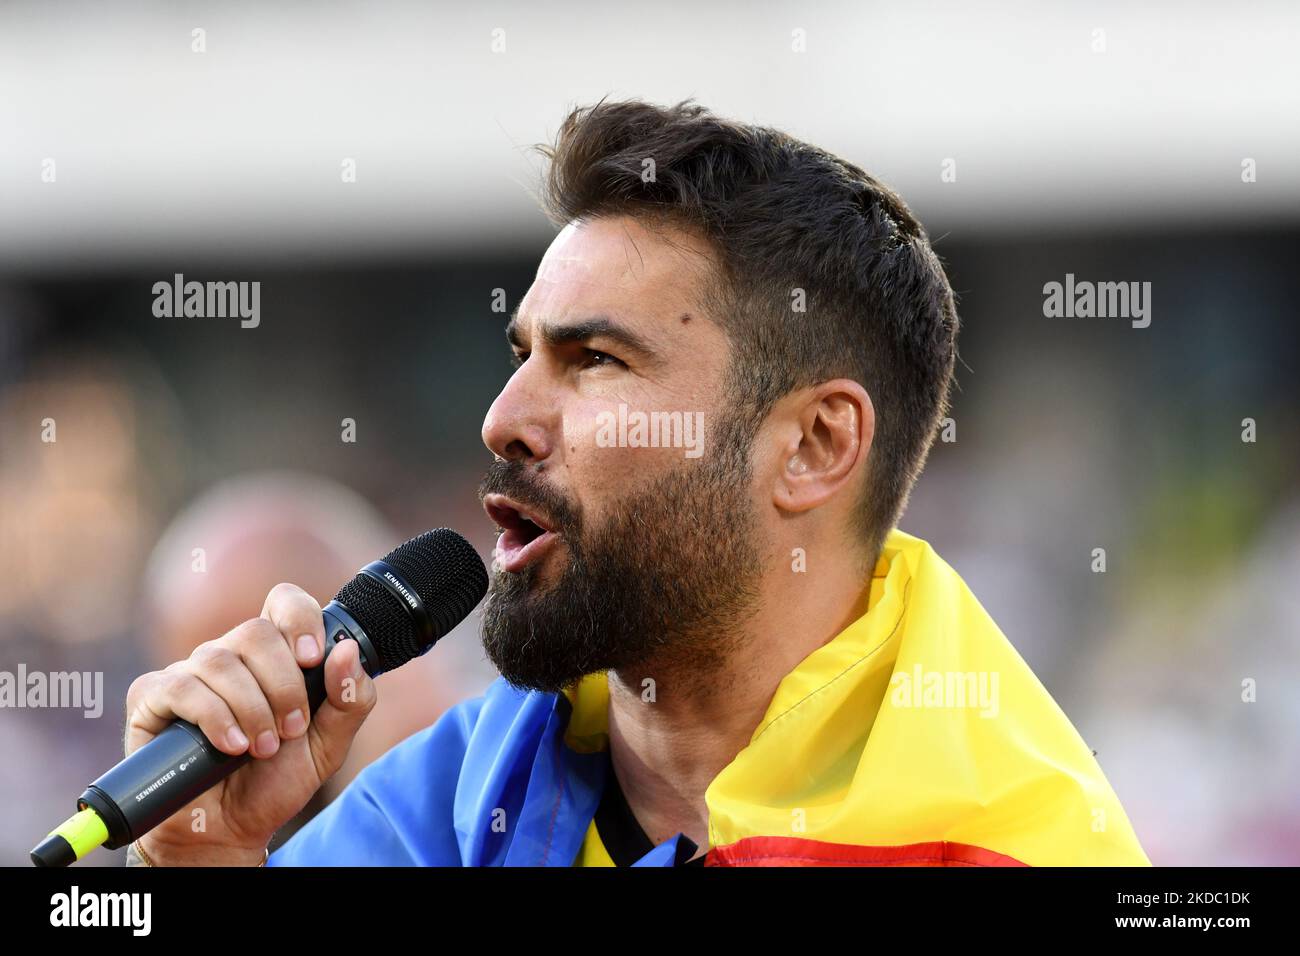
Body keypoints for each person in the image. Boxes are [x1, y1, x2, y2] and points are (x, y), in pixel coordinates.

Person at [123, 99, 1149, 867]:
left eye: (596, 361)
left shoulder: (1015, 845)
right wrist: (196, 857)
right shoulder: (447, 800)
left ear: (814, 443)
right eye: (520, 353)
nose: (502, 419)